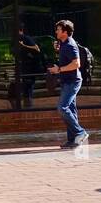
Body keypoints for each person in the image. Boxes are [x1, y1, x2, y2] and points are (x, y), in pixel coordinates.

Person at [47, 19, 88, 149]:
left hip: (72, 81)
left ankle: (80, 132)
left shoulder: (70, 44)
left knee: (62, 108)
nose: (56, 32)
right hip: (67, 80)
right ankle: (73, 140)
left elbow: (76, 64)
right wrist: (58, 51)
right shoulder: (64, 43)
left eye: (58, 30)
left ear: (65, 32)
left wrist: (58, 69)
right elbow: (66, 60)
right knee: (71, 110)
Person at [14, 24, 43, 108]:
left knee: (29, 86)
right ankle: (27, 105)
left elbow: (37, 48)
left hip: (30, 67)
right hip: (25, 66)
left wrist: (24, 46)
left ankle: (29, 106)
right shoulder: (17, 39)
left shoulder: (26, 38)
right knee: (26, 87)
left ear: (20, 30)